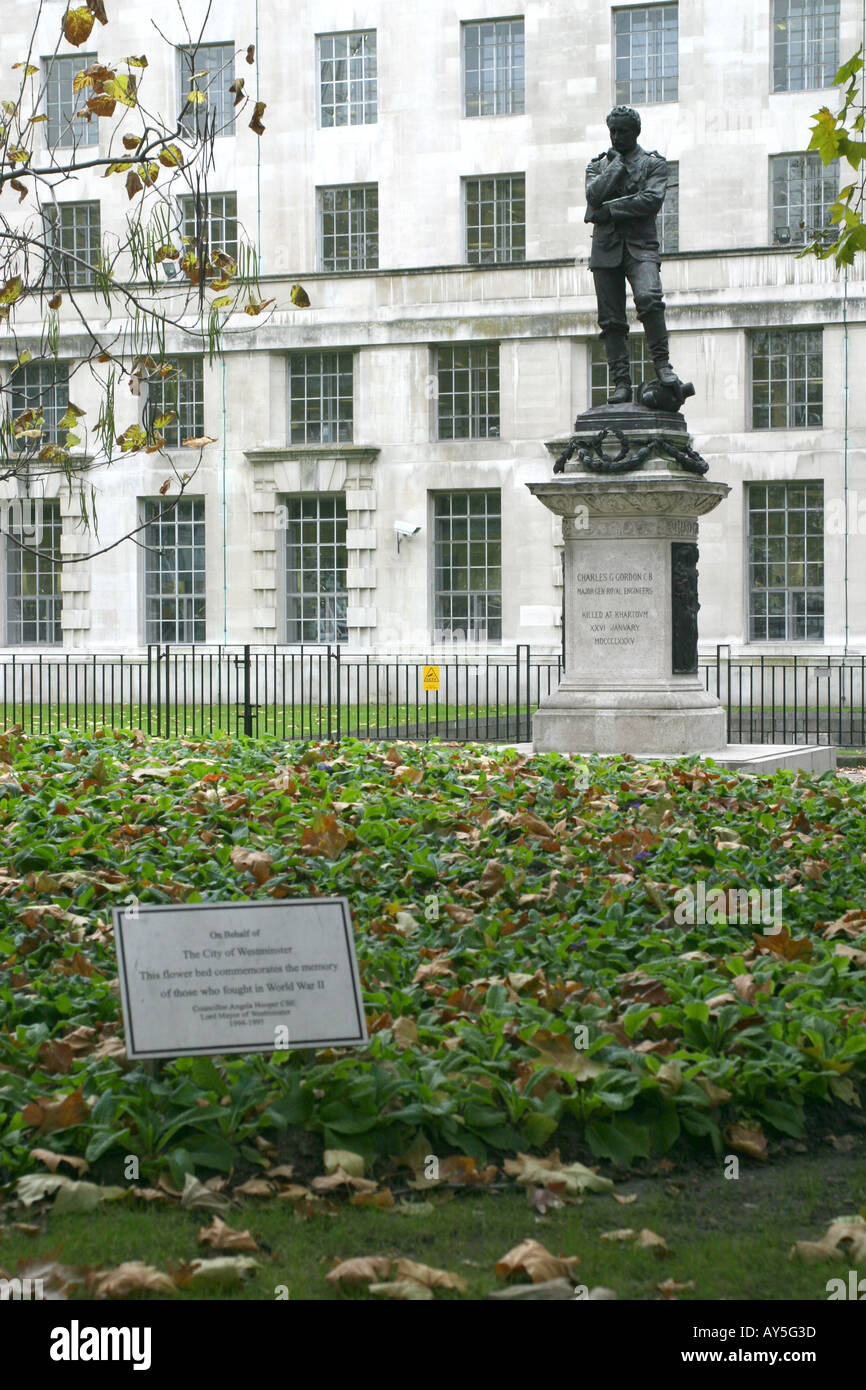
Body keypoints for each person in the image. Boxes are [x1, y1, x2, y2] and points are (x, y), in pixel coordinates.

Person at [585, 105, 680, 405]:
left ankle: (663, 366)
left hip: (641, 247)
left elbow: (650, 201)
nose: (616, 136)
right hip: (605, 250)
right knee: (611, 320)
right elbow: (593, 195)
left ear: (635, 132)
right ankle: (621, 382)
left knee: (650, 299)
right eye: (612, 131)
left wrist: (609, 210)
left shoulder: (654, 165)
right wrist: (616, 167)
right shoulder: (598, 166)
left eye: (623, 131)